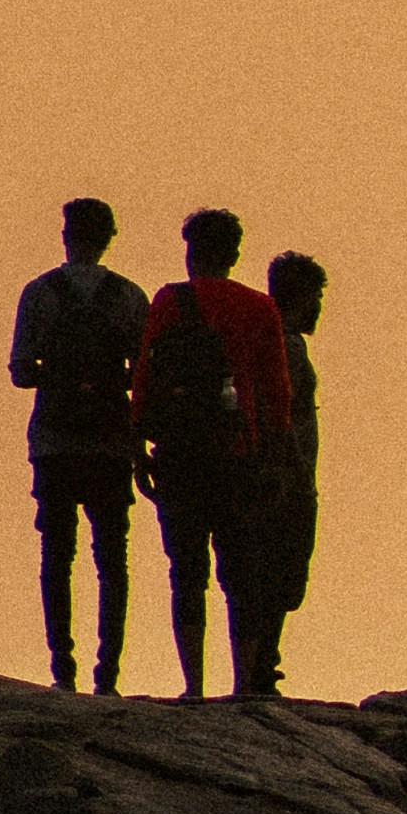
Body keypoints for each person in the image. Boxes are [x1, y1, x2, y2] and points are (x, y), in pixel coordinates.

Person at [132, 204, 298, 698]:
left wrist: (139, 449)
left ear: (192, 251)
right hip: (238, 454)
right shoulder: (259, 308)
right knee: (240, 573)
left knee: (186, 571)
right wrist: (277, 460)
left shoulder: (169, 301)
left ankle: (193, 686)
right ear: (235, 253)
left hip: (181, 453)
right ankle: (244, 684)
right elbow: (278, 392)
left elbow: (144, 378)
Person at [8, 195, 150, 696]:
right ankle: (107, 673)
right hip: (111, 439)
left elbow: (21, 372)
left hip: (55, 439)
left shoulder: (40, 293)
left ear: (65, 235)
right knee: (112, 556)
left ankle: (61, 669)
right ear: (109, 237)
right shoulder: (131, 297)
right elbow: (147, 373)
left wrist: (62, 377)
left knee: (57, 552)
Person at [247, 248, 328, 669]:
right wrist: (295, 473)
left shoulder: (265, 338)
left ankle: (262, 661)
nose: (319, 308)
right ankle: (262, 663)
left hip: (272, 472)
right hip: (287, 478)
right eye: (315, 297)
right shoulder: (286, 346)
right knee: (281, 572)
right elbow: (286, 415)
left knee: (271, 572)